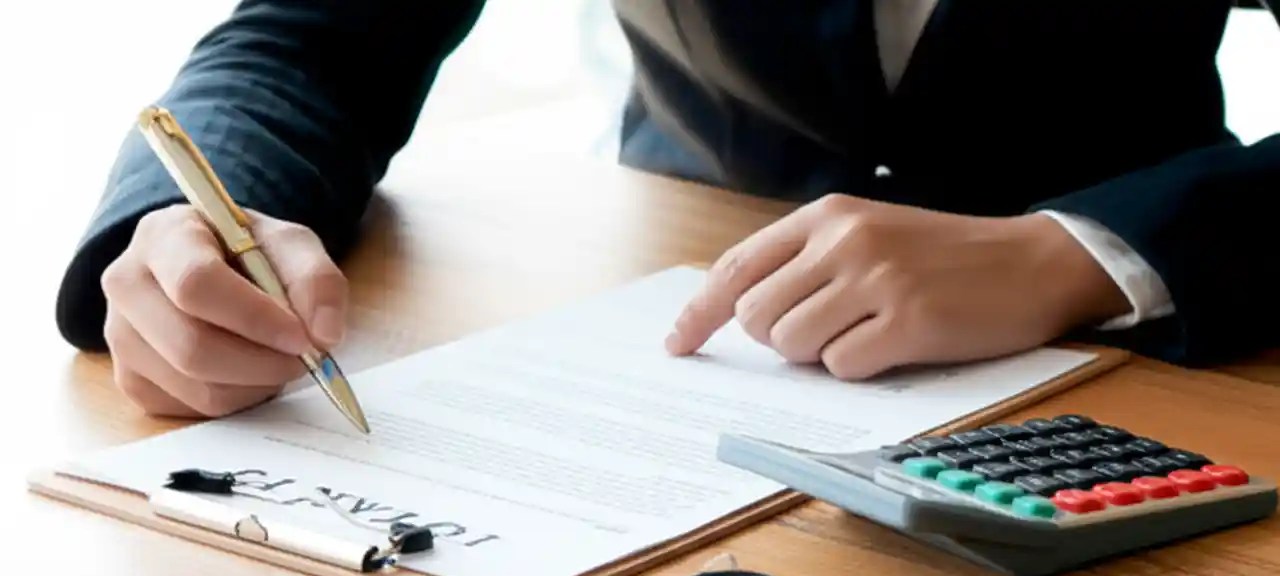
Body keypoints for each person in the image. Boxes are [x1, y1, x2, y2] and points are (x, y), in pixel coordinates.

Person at [56, 1, 1280, 419]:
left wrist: (1072, 251)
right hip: (670, 362)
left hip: (1168, 361)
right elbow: (310, 41)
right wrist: (181, 228)